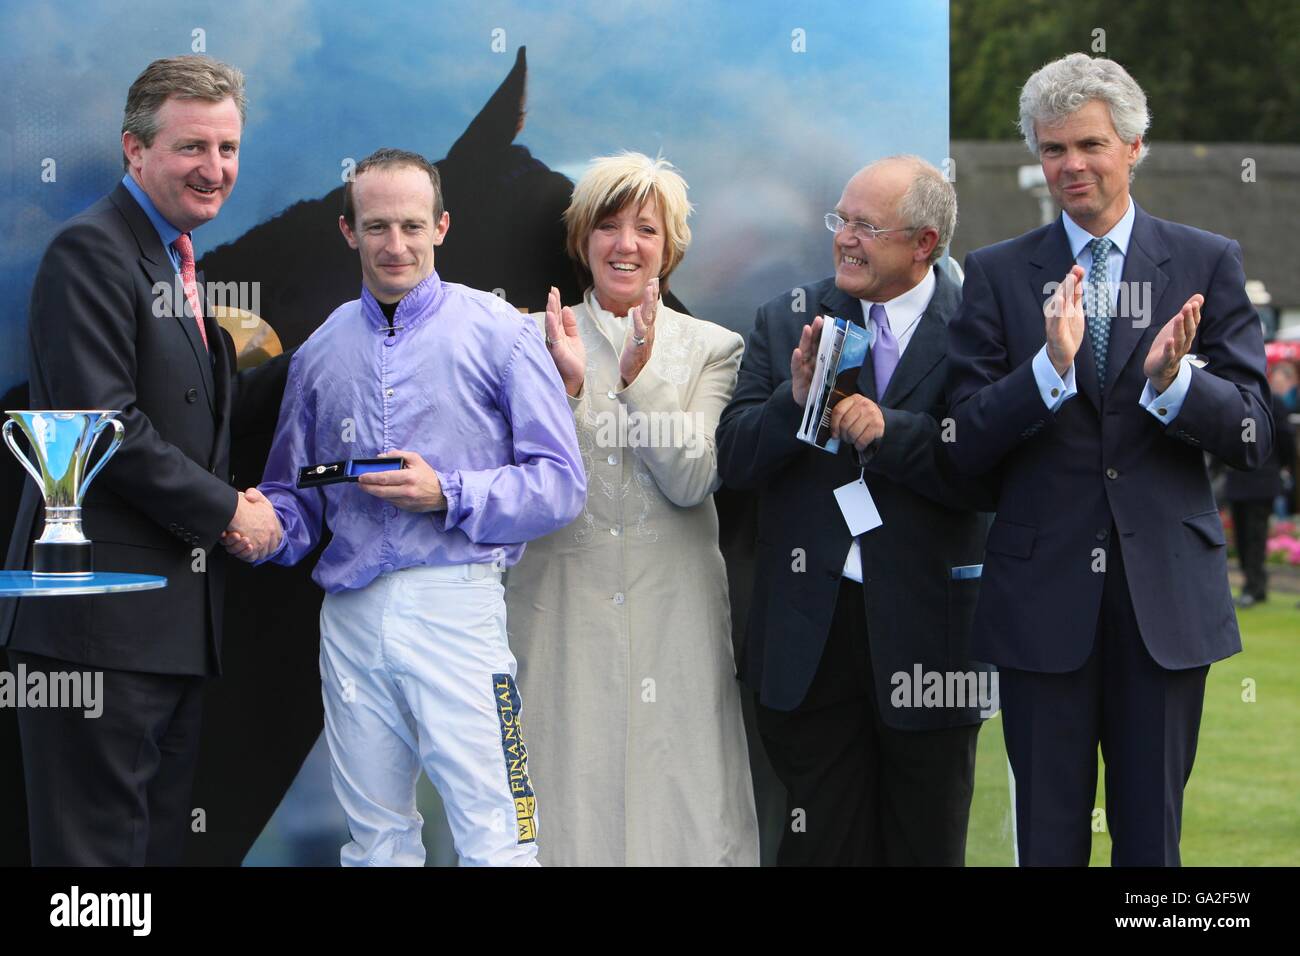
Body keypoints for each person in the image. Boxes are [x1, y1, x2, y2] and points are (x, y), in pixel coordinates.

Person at [946, 54, 1273, 866]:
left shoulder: (1206, 261)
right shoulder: (992, 274)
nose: (1070, 166)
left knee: (1151, 845)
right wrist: (1046, 375)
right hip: (1039, 605)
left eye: (1089, 144)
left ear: (1134, 147)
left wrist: (1175, 383)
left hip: (1164, 602)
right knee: (1049, 846)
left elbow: (1256, 434)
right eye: (1053, 149)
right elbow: (961, 444)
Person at [229, 148, 585, 867]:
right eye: (379, 226)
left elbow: (559, 485)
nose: (396, 245)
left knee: (501, 835)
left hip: (458, 607)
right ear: (347, 231)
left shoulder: (502, 333)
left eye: (413, 226)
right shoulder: (319, 351)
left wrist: (447, 492)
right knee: (376, 842)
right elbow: (295, 498)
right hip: (351, 618)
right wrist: (259, 528)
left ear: (443, 227)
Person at [0, 55, 287, 865]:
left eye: (228, 148)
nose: (215, 168)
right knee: (94, 876)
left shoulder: (176, 262)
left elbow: (190, 425)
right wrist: (231, 513)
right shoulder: (89, 253)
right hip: (96, 633)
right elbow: (104, 427)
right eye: (192, 146)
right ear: (134, 150)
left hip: (165, 636)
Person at [715, 156, 994, 865]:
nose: (844, 238)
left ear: (924, 243)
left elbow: (990, 471)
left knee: (925, 847)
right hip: (810, 637)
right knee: (820, 849)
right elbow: (735, 460)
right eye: (841, 220)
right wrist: (793, 397)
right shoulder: (789, 321)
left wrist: (893, 433)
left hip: (934, 642)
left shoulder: (979, 330)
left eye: (867, 227)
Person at [504, 152, 759, 865]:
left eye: (646, 229)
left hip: (674, 611)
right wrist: (566, 393)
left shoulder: (714, 347)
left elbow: (691, 478)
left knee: (677, 792)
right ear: (582, 240)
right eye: (608, 226)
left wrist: (640, 382)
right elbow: (526, 486)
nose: (626, 244)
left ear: (670, 247)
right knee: (565, 786)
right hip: (558, 605)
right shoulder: (528, 337)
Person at [1223, 385, 1295, 605]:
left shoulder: (1272, 402)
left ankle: (1254, 586)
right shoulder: (1233, 397)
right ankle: (1253, 584)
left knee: (1255, 536)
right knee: (1244, 536)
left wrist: (1280, 465)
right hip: (1241, 480)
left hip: (1260, 480)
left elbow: (1284, 440)